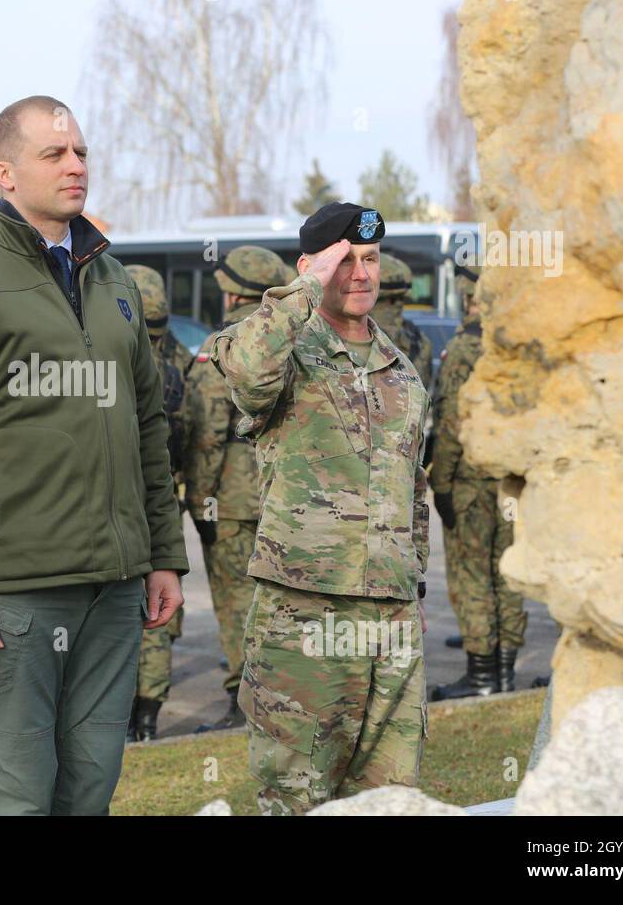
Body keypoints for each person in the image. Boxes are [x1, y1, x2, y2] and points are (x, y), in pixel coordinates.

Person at [0, 95, 188, 815]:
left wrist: (162, 554)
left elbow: (146, 427)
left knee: (90, 786)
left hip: (116, 587)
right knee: (17, 794)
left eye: (82, 152)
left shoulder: (114, 281)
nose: (75, 166)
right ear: (3, 172)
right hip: (16, 595)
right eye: (54, 154)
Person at [212, 202, 430, 815]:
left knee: (388, 797)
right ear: (310, 268)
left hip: (390, 620)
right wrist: (305, 286)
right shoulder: (283, 351)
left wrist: (411, 585)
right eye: (343, 262)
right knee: (297, 793)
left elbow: (413, 487)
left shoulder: (401, 370)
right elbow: (248, 372)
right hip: (306, 614)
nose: (360, 274)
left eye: (369, 260)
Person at [185, 246, 295, 733]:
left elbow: (208, 430)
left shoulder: (225, 340)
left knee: (236, 602)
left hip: (231, 498)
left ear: (231, 291)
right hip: (289, 496)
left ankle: (245, 701)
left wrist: (198, 497)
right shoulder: (299, 334)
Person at [429, 264, 526, 698]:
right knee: (505, 573)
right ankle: (504, 673)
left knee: (471, 578)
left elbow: (451, 422)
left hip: (469, 481)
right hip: (510, 482)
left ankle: (483, 677)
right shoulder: (517, 346)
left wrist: (442, 482)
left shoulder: (464, 348)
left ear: (470, 297)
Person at [124, 264, 193, 741]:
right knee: (158, 608)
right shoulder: (178, 365)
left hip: (117, 503)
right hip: (164, 496)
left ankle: (126, 714)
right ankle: (148, 715)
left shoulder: (105, 354)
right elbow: (187, 436)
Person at [370, 253, 434, 395]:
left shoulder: (418, 343)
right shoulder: (350, 338)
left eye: (400, 299)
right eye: (390, 300)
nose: (397, 306)